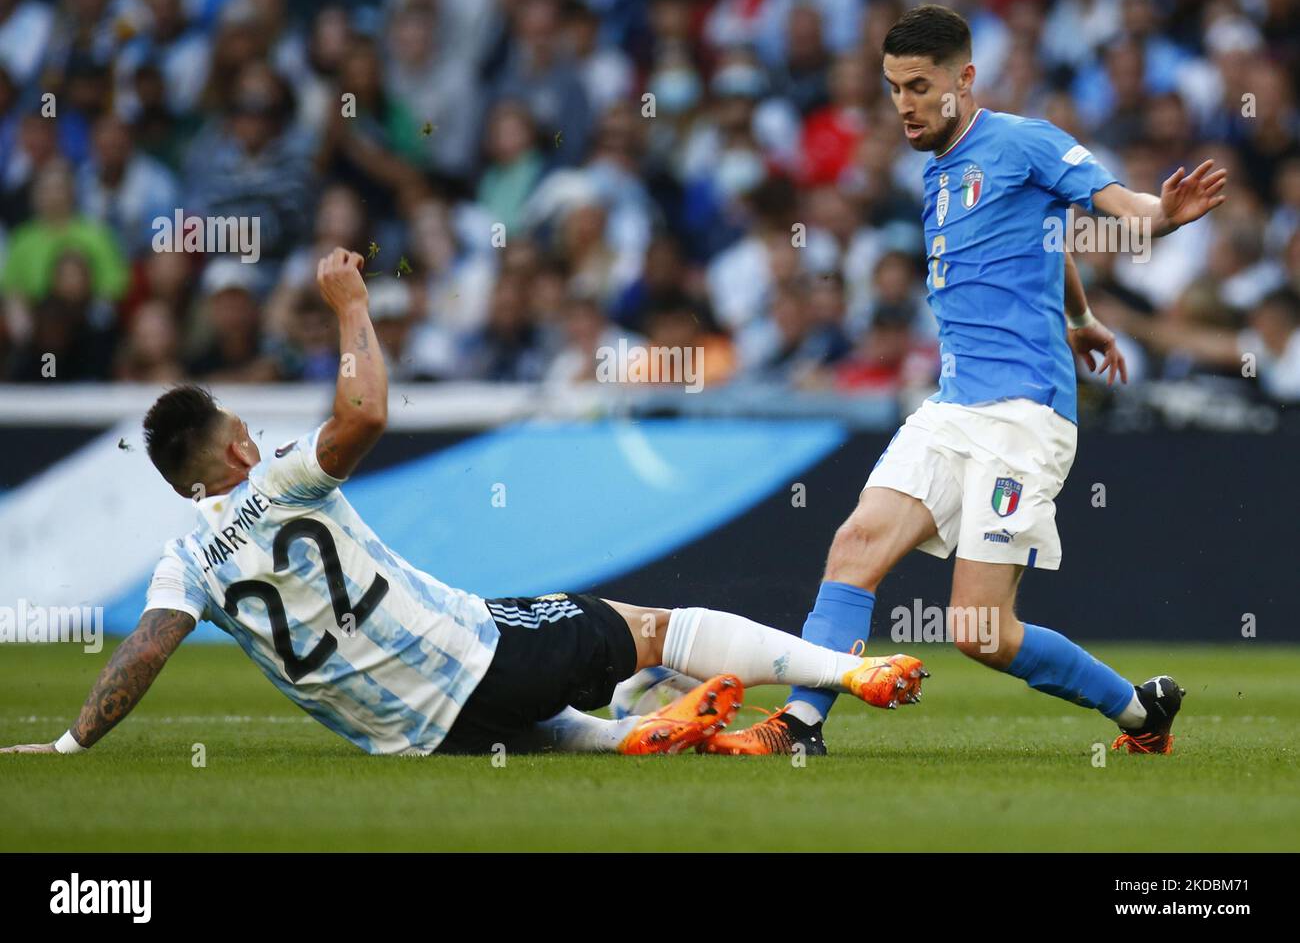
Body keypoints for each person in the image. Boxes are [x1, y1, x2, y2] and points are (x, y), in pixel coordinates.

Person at [1, 249, 927, 760]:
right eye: (243, 427)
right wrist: (351, 304)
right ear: (238, 449)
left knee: (554, 724)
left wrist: (74, 741)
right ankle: (854, 676)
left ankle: (642, 737)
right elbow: (364, 409)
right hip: (469, 656)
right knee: (655, 626)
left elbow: (148, 648)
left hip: (410, 736)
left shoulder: (184, 559)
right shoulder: (282, 474)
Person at [698, 5, 1227, 756]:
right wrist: (1078, 317)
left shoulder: (1023, 141)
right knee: (854, 546)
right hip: (952, 408)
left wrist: (1161, 218)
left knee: (979, 632)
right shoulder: (938, 171)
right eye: (892, 88)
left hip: (1024, 416)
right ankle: (800, 726)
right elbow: (1047, 240)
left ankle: (1139, 713)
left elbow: (1120, 211)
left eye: (919, 85)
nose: (904, 104)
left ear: (964, 79)